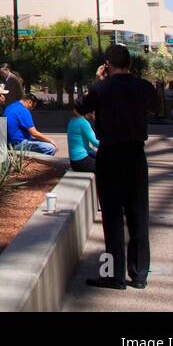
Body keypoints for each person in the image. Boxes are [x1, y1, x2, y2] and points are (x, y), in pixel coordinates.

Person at [77, 44, 155, 290]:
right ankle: (139, 274)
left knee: (112, 218)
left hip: (109, 154)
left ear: (107, 65)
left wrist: (99, 80)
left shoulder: (101, 87)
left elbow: (80, 107)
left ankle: (114, 275)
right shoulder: (143, 87)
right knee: (138, 216)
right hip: (135, 154)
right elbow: (158, 107)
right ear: (130, 64)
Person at [3, 90, 57, 155]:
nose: (32, 109)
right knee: (50, 147)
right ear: (29, 102)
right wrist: (50, 140)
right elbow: (34, 133)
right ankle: (40, 163)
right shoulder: (23, 110)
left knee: (40, 141)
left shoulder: (11, 106)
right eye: (33, 107)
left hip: (8, 142)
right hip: (18, 144)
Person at [67, 105, 99, 173]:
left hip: (75, 161)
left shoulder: (72, 120)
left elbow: (86, 147)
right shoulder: (83, 122)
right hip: (81, 161)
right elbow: (95, 142)